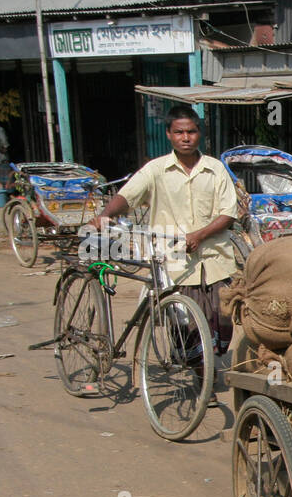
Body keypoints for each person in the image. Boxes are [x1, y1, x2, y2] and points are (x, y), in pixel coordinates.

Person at [93, 104, 238, 403]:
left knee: (222, 326)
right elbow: (127, 196)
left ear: (200, 134)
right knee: (187, 327)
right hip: (175, 263)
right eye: (179, 132)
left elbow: (228, 213)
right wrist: (106, 214)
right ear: (169, 135)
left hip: (216, 260)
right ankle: (204, 382)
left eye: (192, 131)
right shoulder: (155, 170)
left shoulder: (215, 168)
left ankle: (208, 366)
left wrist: (199, 235)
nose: (186, 137)